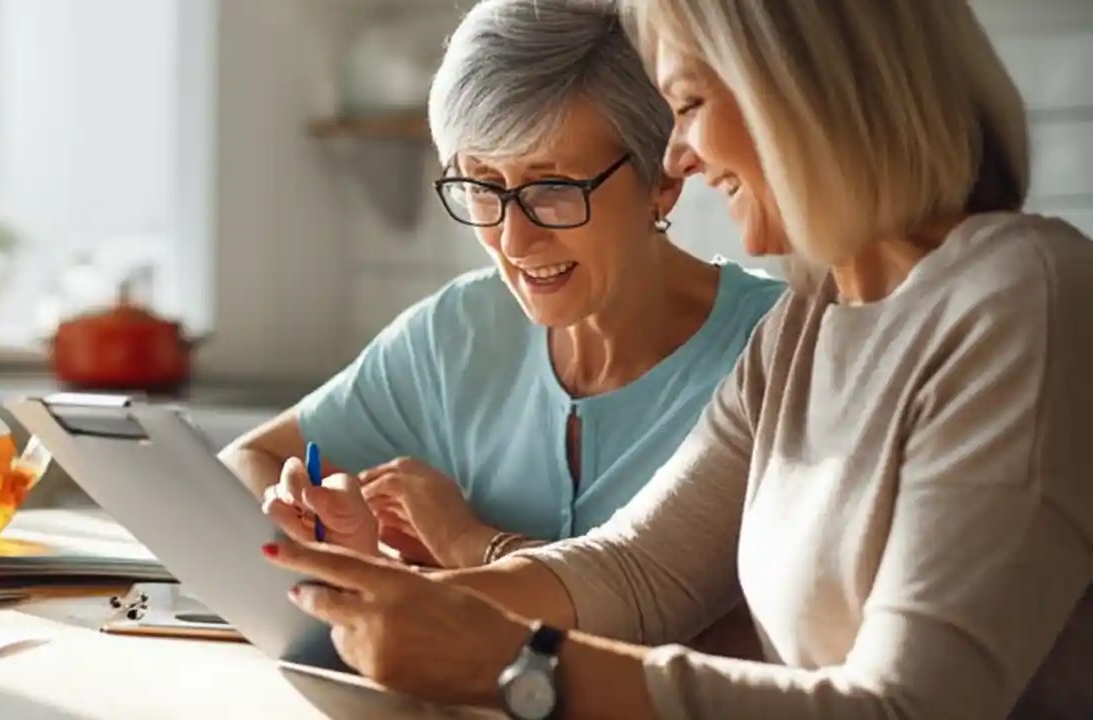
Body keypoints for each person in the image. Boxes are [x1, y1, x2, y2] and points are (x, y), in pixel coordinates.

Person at [259, 0, 1093, 717]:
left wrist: (515, 666)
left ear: (809, 90)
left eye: (687, 103)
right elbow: (637, 571)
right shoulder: (810, 323)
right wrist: (379, 604)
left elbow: (914, 707)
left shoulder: (1024, 297)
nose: (679, 158)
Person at [222, 0, 782, 569]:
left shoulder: (778, 349)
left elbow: (703, 617)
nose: (514, 242)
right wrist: (319, 531)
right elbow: (250, 460)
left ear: (662, 181)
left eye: (555, 187)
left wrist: (471, 544)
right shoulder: (457, 332)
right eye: (482, 186)